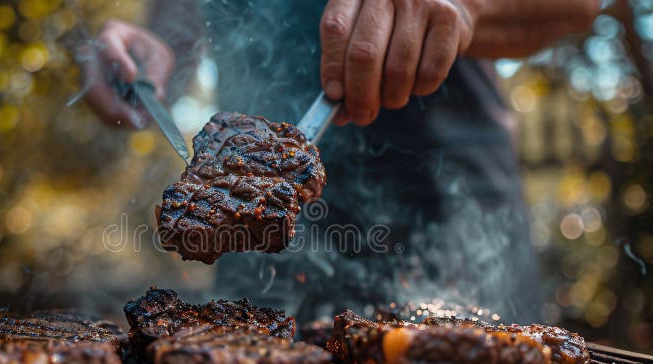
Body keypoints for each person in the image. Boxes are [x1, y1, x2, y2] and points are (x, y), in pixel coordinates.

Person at [84, 0, 600, 323]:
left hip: (450, 208)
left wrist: (469, 7)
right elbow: (176, 34)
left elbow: (579, 5)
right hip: (249, 220)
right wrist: (143, 60)